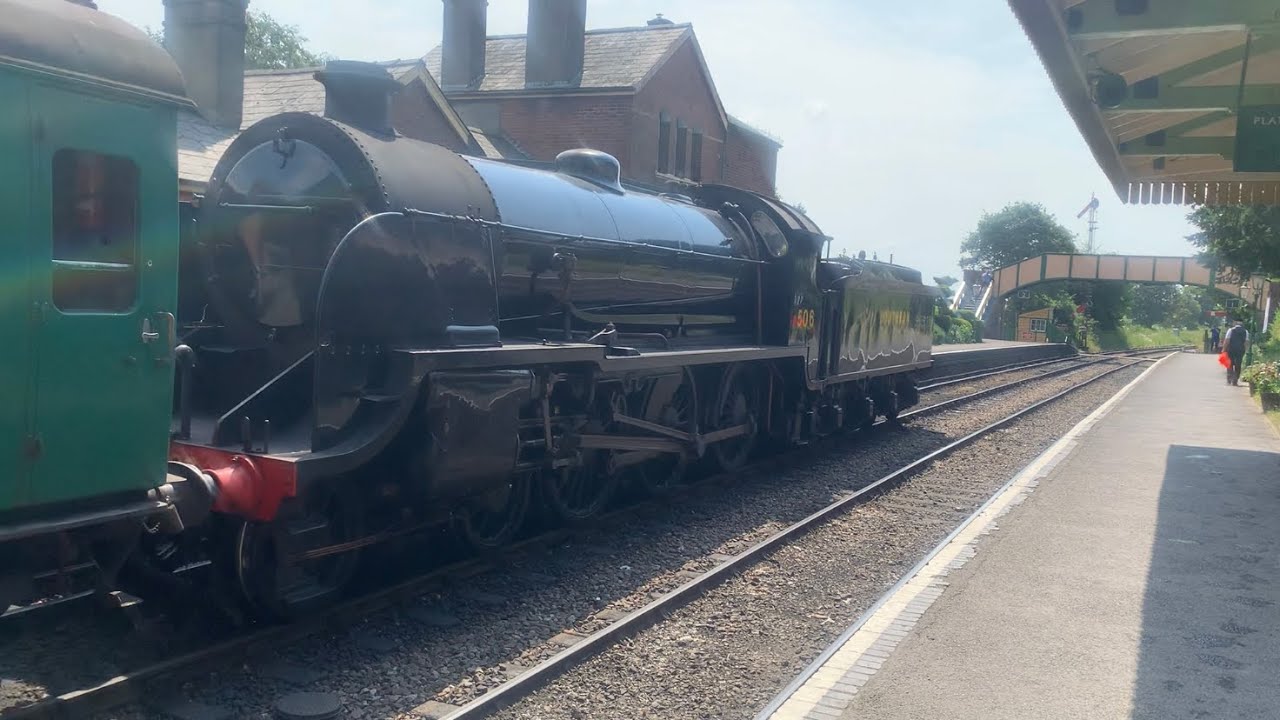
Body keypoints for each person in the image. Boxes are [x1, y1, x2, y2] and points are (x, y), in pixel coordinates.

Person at [1223, 321, 1248, 386]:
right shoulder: (1245, 331)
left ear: (1235, 325)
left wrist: (1224, 349)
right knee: (1238, 364)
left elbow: (1227, 340)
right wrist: (1245, 350)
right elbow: (1246, 342)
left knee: (1230, 364)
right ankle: (1235, 379)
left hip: (1231, 349)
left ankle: (1229, 378)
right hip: (1240, 350)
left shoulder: (1231, 330)